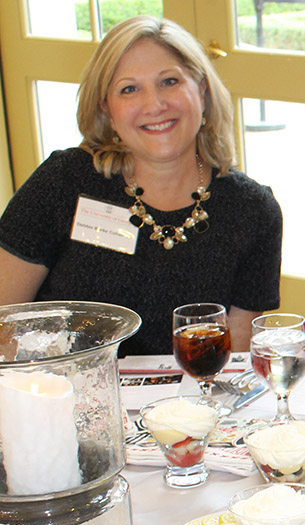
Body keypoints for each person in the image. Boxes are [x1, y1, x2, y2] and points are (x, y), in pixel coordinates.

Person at [0, 16, 281, 355]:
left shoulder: (251, 209)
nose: (154, 105)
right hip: (64, 396)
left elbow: (234, 362)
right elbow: (4, 322)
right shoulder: (65, 181)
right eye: (129, 89)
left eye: (169, 81)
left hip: (189, 406)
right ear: (107, 108)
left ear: (202, 91)